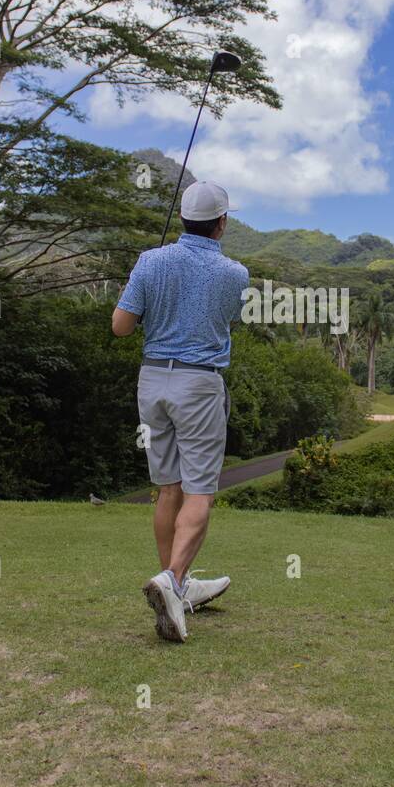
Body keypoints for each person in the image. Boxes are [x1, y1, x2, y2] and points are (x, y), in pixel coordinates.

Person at [112, 180, 248, 643]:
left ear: (185, 218)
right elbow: (226, 320)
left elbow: (121, 327)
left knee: (167, 487)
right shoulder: (234, 273)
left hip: (152, 382)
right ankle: (172, 582)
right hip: (199, 382)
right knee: (200, 491)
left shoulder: (151, 261)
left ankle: (178, 584)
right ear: (222, 222)